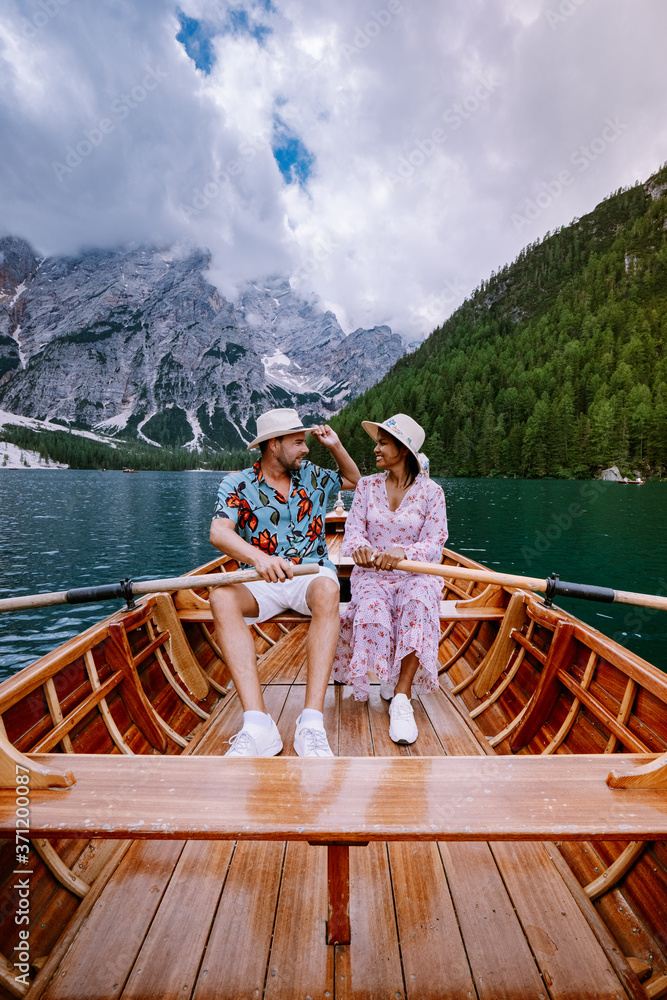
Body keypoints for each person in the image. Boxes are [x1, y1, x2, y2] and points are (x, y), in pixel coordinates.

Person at [210, 407, 360, 757]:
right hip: (263, 577)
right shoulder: (237, 483)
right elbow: (219, 532)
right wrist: (260, 558)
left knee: (329, 589)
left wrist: (336, 446)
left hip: (309, 574)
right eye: (297, 442)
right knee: (221, 598)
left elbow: (352, 480)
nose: (305, 448)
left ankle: (311, 723)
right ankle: (258, 725)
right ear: (273, 445)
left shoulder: (311, 476)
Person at [332, 414, 448, 744]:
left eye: (383, 443)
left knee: (418, 600)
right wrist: (363, 551)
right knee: (371, 604)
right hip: (372, 575)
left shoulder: (432, 492)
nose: (376, 448)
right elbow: (352, 534)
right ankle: (385, 672)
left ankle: (400, 697)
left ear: (403, 450)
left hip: (417, 573)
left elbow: (436, 541)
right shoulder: (367, 486)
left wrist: (403, 553)